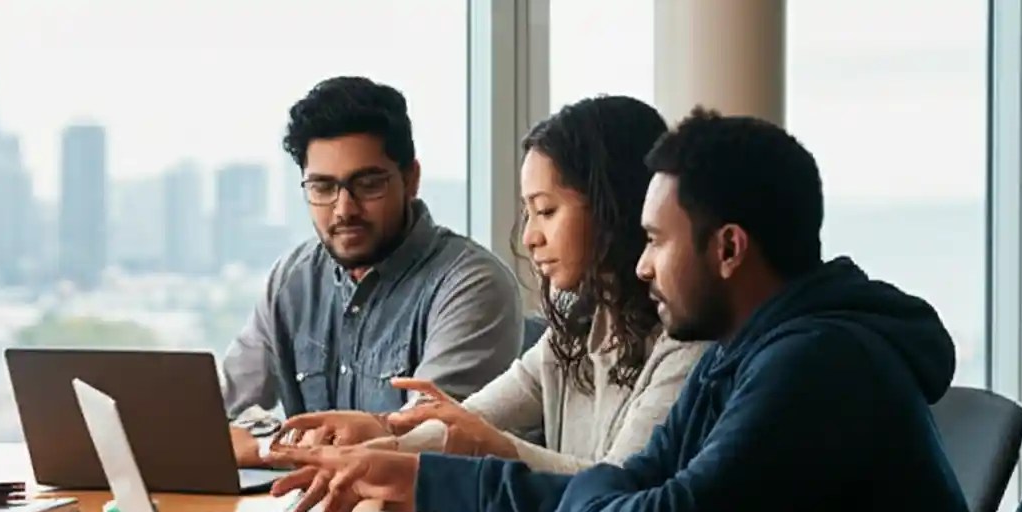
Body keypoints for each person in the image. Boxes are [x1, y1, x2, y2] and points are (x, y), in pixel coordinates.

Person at [266, 108, 989, 512]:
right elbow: (634, 487)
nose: (642, 267)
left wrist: (601, 495)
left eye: (656, 240)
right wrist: (423, 482)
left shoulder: (817, 363)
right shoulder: (744, 353)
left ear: (729, 249)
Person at [272, 95, 708, 474]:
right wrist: (381, 439)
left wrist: (492, 446)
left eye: (547, 211)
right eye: (529, 212)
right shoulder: (579, 325)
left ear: (612, 205)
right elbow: (475, 417)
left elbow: (621, 488)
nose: (530, 237)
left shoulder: (686, 344)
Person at [219, 76, 522, 467]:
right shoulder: (293, 278)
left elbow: (429, 440)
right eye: (322, 187)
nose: (344, 208)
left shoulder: (471, 284)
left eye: (367, 184)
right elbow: (220, 415)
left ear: (410, 179)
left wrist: (266, 447)